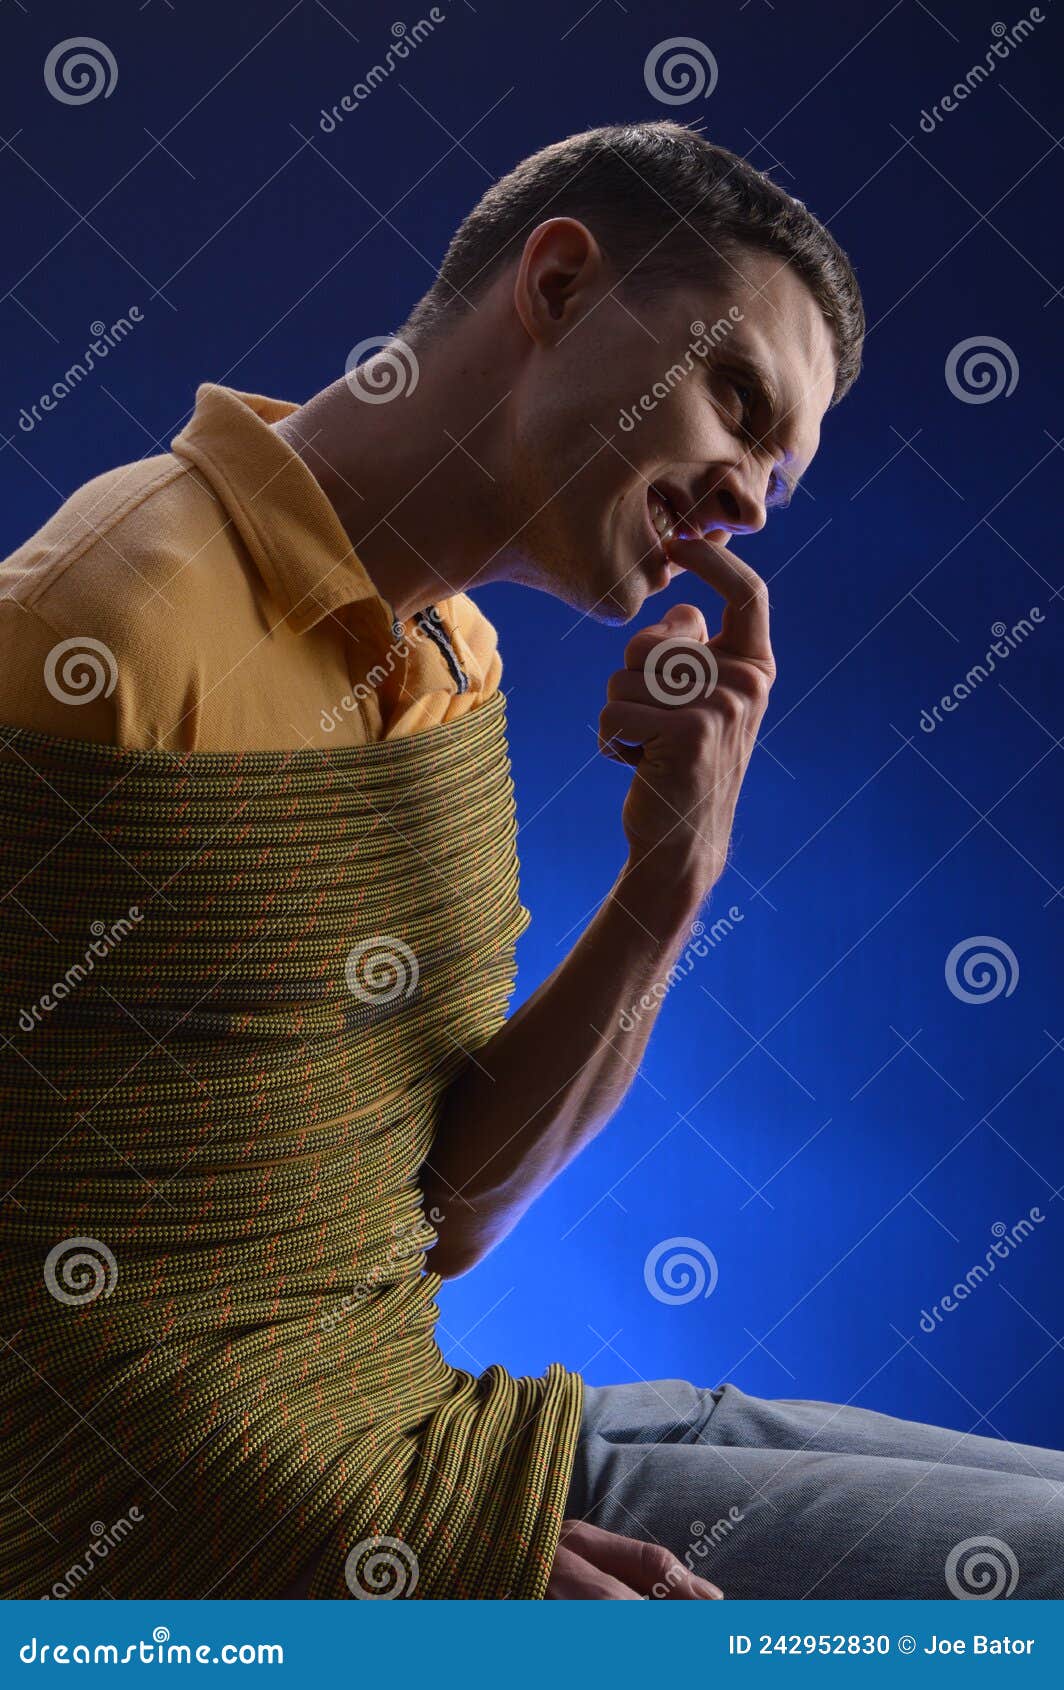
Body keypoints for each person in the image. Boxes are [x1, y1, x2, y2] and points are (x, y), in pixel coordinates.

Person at [0, 121, 1060, 1601]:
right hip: (219, 1517)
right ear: (558, 286)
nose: (753, 501)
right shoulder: (90, 635)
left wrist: (669, 882)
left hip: (405, 1423)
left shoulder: (457, 662)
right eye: (740, 401)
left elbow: (438, 1213)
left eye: (782, 473)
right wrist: (396, 1556)